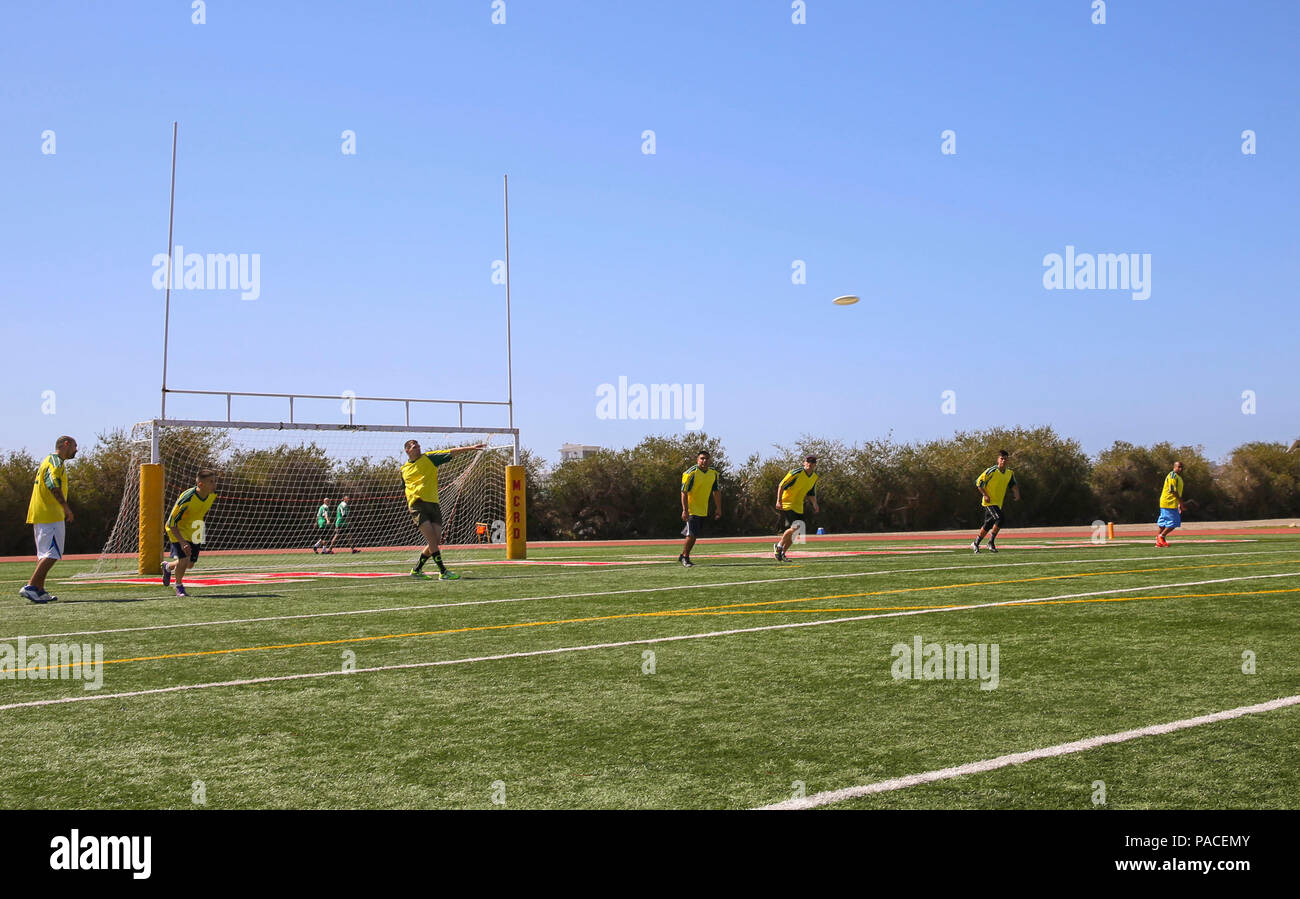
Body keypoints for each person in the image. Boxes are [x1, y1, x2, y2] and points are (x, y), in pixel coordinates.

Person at [402, 440, 485, 580]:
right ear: (407, 451)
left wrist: (471, 448)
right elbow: (404, 487)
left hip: (433, 504)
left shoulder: (429, 458)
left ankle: (416, 570)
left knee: (435, 541)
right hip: (417, 506)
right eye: (414, 447)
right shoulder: (403, 469)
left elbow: (450, 452)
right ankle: (443, 572)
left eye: (419, 446)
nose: (418, 448)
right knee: (432, 540)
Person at [20, 435, 78, 604]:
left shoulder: (48, 460)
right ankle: (30, 586)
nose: (76, 450)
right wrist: (66, 508)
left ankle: (39, 589)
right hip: (50, 514)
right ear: (66, 444)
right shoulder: (56, 462)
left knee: (45, 553)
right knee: (53, 553)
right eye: (75, 446)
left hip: (41, 514)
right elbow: (52, 483)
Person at [161, 469, 219, 597]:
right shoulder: (187, 498)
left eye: (215, 481)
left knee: (190, 564)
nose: (214, 484)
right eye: (211, 482)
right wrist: (182, 542)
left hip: (197, 527)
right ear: (200, 484)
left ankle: (168, 567)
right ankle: (179, 587)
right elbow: (171, 522)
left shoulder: (212, 494)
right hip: (178, 528)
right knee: (184, 559)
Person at [678, 450, 722, 568]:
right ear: (697, 460)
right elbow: (684, 492)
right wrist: (685, 510)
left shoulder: (713, 473)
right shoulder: (690, 473)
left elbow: (716, 491)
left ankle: (683, 555)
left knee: (694, 534)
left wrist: (718, 508)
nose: (704, 461)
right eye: (702, 458)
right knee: (691, 534)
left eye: (706, 459)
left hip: (703, 509)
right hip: (691, 508)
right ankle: (685, 557)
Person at [971, 449, 1019, 553]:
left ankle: (976, 543)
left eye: (1006, 459)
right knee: (1000, 518)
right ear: (998, 459)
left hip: (998, 503)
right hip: (989, 502)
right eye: (1001, 459)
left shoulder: (1009, 473)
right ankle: (991, 542)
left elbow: (1013, 485)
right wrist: (985, 494)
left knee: (988, 524)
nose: (1003, 461)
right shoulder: (992, 470)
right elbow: (978, 482)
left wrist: (1016, 493)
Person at [774, 455, 819, 561]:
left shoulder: (814, 477)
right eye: (808, 462)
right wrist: (778, 500)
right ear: (804, 463)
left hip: (798, 505)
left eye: (812, 462)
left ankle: (782, 553)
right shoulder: (797, 472)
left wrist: (815, 504)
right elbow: (781, 485)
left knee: (797, 531)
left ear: (815, 465)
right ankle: (779, 546)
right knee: (796, 527)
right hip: (787, 502)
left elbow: (811, 493)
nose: (810, 464)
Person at [1155, 460, 1185, 547]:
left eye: (1181, 467)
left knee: (1163, 523)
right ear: (1174, 467)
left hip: (1168, 502)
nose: (1180, 469)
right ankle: (1161, 536)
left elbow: (1178, 491)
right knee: (1174, 522)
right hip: (1169, 502)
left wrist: (1178, 504)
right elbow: (1173, 490)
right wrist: (1181, 502)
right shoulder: (1172, 476)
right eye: (1178, 467)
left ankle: (1158, 541)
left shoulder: (1178, 477)